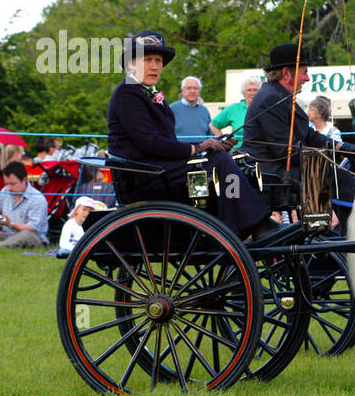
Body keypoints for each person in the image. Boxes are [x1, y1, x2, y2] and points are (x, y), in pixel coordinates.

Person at [109, 30, 274, 239]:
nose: (154, 66)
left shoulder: (149, 93)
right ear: (132, 64)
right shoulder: (128, 94)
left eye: (158, 60)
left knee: (228, 158)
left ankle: (236, 226)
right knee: (220, 162)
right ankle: (253, 225)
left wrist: (210, 142)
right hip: (145, 175)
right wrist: (196, 148)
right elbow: (149, 142)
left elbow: (165, 140)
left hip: (157, 168)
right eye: (147, 59)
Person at [242, 43, 355, 224]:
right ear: (286, 73)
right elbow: (286, 152)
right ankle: (353, 233)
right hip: (271, 172)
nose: (307, 78)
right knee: (338, 179)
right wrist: (327, 157)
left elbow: (308, 135)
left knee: (340, 177)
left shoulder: (280, 96)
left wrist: (343, 147)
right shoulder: (270, 99)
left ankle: (332, 230)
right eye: (304, 72)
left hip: (282, 167)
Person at [0, 161, 49, 249]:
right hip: (8, 236)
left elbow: (32, 230)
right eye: (7, 183)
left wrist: (11, 224)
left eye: (13, 184)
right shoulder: (5, 191)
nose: (9, 187)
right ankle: (3, 248)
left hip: (33, 238)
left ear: (24, 180)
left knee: (25, 235)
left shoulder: (37, 199)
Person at [211, 73, 262, 148]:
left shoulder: (265, 108)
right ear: (244, 92)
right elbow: (213, 125)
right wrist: (224, 143)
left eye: (255, 90)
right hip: (238, 153)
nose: (252, 93)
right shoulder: (234, 109)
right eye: (249, 90)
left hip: (260, 152)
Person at [169, 75, 217, 142]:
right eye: (189, 88)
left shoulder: (204, 111)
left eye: (195, 88)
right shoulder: (172, 109)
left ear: (199, 91)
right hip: (180, 150)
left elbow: (210, 135)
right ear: (183, 90)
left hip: (203, 150)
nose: (192, 91)